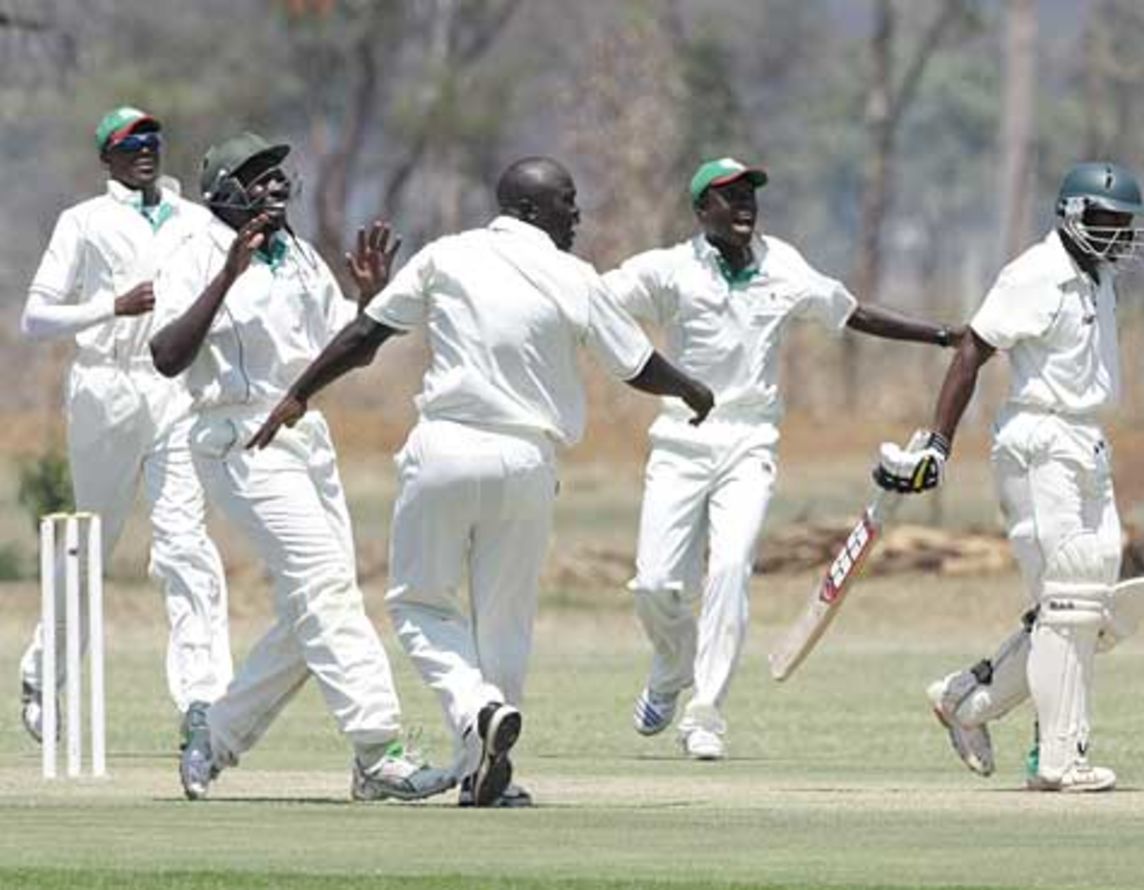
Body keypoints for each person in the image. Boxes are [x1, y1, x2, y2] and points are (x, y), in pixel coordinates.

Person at [247, 156, 714, 807]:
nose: (576, 214)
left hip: (447, 448)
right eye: (566, 201)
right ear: (528, 209)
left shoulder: (448, 255)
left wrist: (300, 392)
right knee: (505, 622)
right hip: (527, 462)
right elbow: (636, 366)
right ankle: (486, 769)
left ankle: (477, 716)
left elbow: (365, 334)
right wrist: (692, 389)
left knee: (418, 606)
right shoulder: (575, 277)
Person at [601, 157, 962, 760]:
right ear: (702, 209)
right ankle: (672, 665)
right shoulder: (670, 270)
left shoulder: (782, 265)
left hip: (749, 442)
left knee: (730, 567)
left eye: (750, 194)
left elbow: (852, 312)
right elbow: (595, 301)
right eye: (729, 195)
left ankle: (705, 713)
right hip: (681, 439)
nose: (744, 204)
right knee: (655, 585)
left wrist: (943, 335)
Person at [150, 132, 453, 803]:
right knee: (326, 588)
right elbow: (167, 356)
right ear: (223, 190)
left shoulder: (300, 257)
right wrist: (227, 275)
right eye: (258, 174)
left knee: (309, 611)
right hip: (238, 436)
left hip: (304, 433)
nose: (276, 184)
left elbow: (347, 350)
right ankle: (379, 752)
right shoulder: (191, 250)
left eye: (279, 173)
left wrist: (370, 302)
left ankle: (215, 738)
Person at [872, 161, 1144, 792]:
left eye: (1125, 223)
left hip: (1087, 441)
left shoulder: (1100, 276)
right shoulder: (1034, 272)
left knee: (1092, 609)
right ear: (1073, 216)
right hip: (1039, 440)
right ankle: (1057, 759)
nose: (1119, 234)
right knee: (1068, 604)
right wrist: (939, 445)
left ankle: (966, 700)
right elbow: (972, 350)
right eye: (1108, 220)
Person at [18, 106, 232, 745]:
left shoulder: (196, 220)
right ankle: (42, 676)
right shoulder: (83, 221)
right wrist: (110, 306)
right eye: (129, 142)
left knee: (185, 543)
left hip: (175, 387)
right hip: (105, 386)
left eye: (152, 139)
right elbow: (35, 318)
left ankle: (203, 701)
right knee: (92, 542)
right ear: (106, 156)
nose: (144, 150)